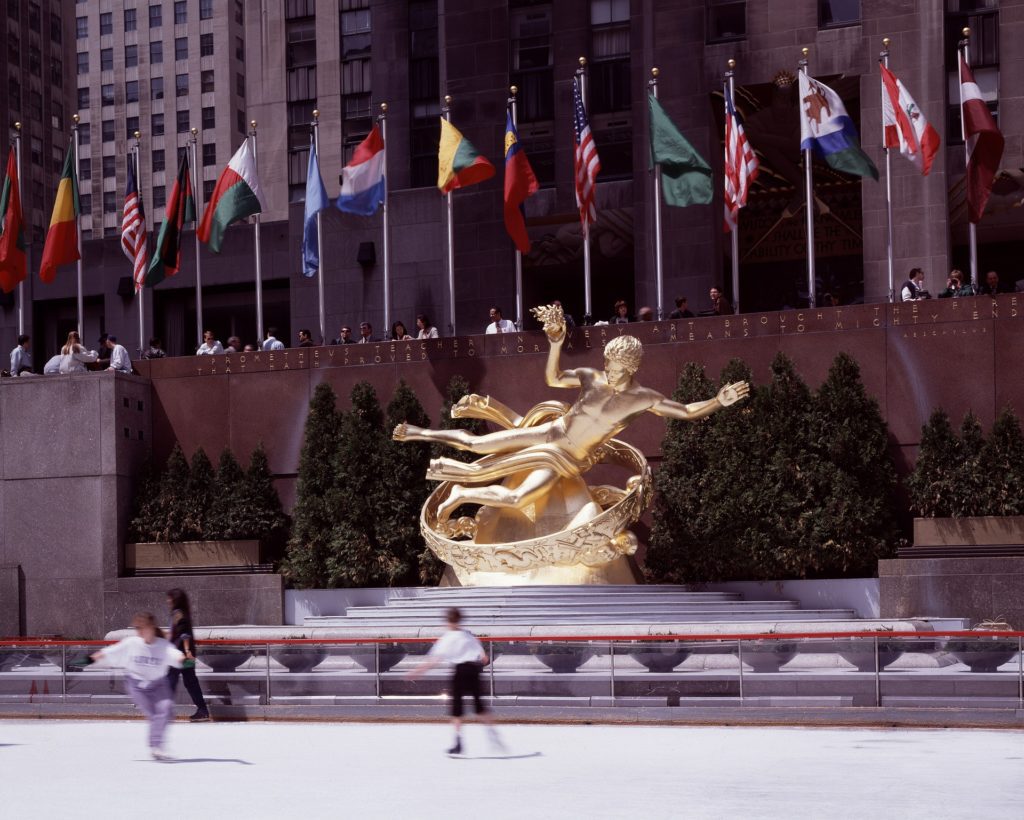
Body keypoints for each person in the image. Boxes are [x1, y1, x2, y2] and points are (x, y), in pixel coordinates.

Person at [394, 303, 749, 523]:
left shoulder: (643, 398)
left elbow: (685, 410)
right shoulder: (591, 377)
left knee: (518, 498)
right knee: (480, 446)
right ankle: (419, 433)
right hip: (551, 432)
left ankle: (460, 495)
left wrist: (719, 400)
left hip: (567, 457)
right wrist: (555, 344)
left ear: (631, 366)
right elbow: (553, 377)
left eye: (616, 366)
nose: (609, 369)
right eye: (608, 362)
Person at [405, 607, 504, 756]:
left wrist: (417, 672)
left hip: (460, 671)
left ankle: (458, 741)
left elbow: (434, 659)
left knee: (457, 706)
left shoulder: (448, 637)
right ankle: (492, 731)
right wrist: (482, 660)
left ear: (448, 622)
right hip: (474, 670)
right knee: (479, 704)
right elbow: (483, 656)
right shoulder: (467, 635)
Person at [88, 612, 183, 760]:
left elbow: (175, 654)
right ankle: (155, 746)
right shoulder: (132, 642)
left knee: (165, 709)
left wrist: (183, 659)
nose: (138, 631)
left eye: (141, 627)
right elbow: (111, 651)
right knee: (154, 715)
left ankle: (156, 747)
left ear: (151, 627)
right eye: (136, 628)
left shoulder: (163, 645)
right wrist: (89, 659)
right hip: (136, 685)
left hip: (159, 684)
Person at [166, 588, 210, 723]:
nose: (168, 601)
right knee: (190, 682)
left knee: (170, 681)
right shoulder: (184, 612)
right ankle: (202, 710)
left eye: (170, 598)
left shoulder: (177, 613)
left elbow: (184, 633)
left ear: (175, 599)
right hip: (186, 653)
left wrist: (186, 650)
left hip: (180, 654)